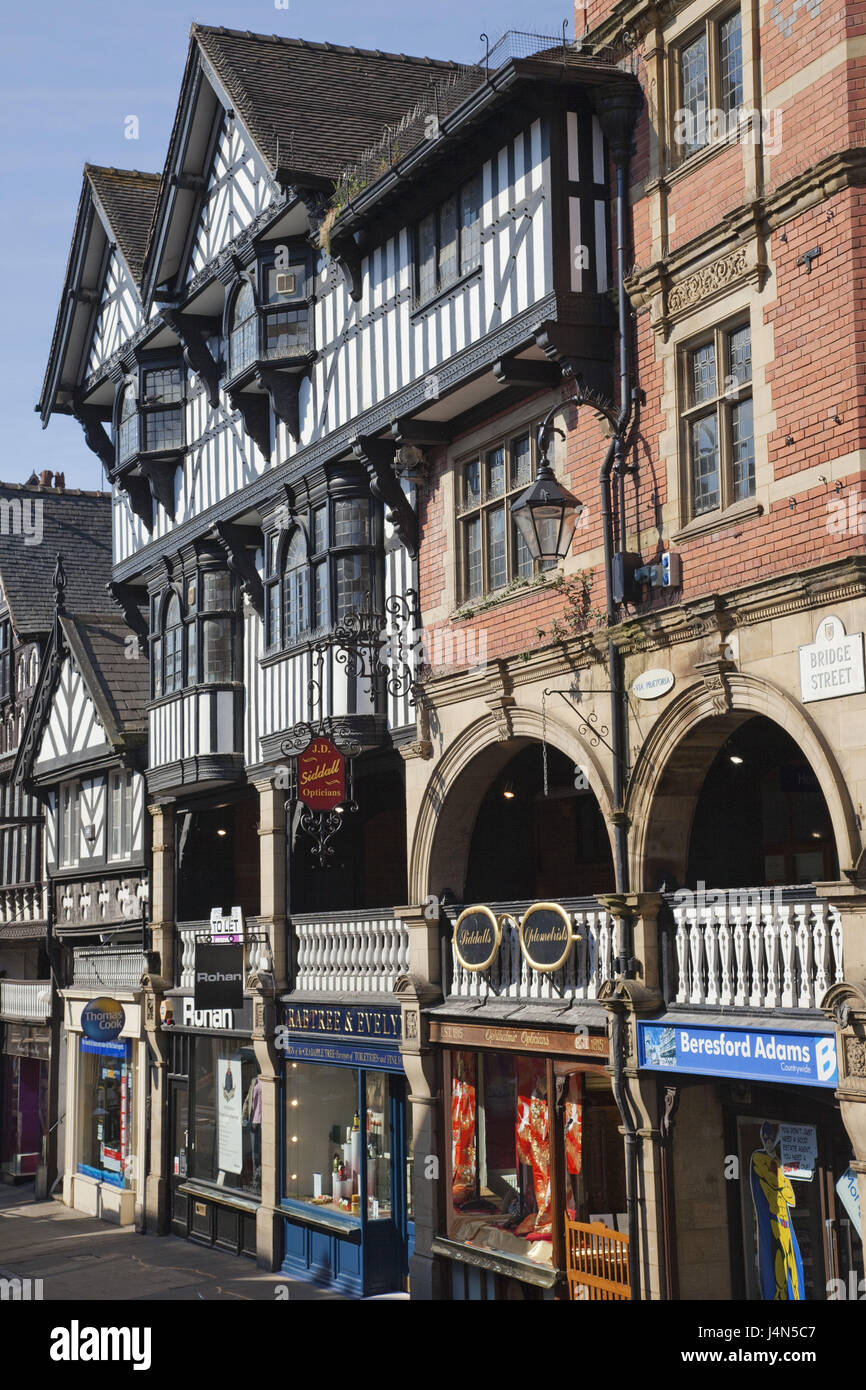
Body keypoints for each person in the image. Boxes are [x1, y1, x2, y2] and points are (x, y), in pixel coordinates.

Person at [750, 1121, 804, 1300]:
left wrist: (778, 1172)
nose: (769, 1143)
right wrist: (777, 1172)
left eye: (771, 1139)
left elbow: (790, 1196)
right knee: (778, 1258)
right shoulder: (760, 1158)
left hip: (784, 1220)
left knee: (791, 1262)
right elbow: (774, 1182)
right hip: (773, 1218)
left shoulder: (777, 1162)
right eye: (766, 1139)